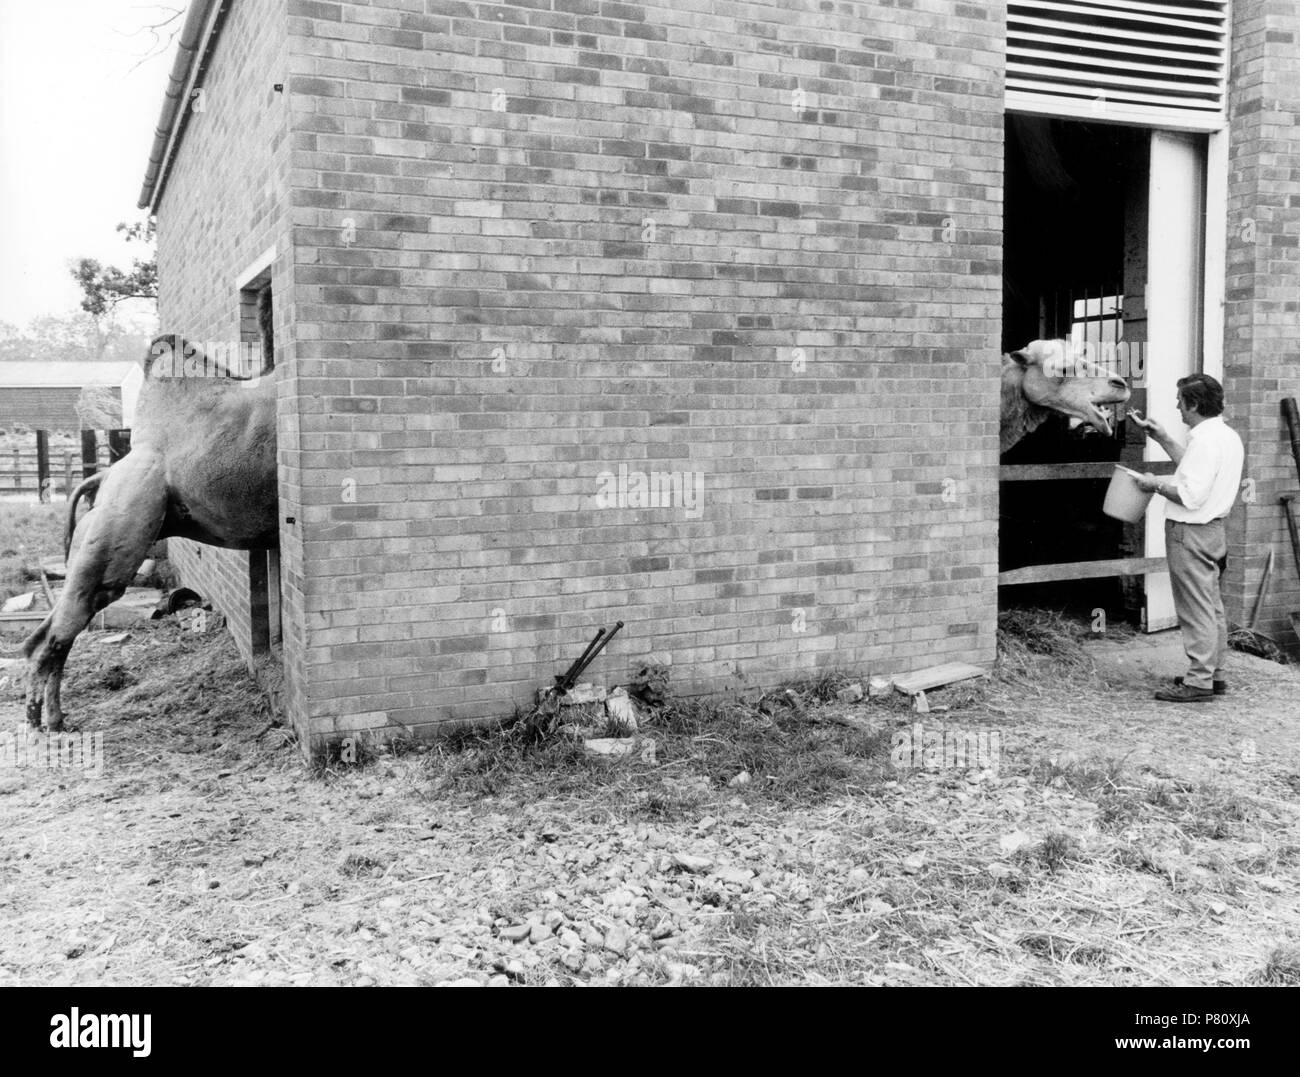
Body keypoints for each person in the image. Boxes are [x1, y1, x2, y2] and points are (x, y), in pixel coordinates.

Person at [1130, 374, 1244, 702]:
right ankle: (1213, 674)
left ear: (1194, 404)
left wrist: (1153, 484)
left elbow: (1190, 495)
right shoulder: (1224, 436)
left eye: (1180, 401)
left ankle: (1198, 682)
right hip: (1212, 531)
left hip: (1190, 532)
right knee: (1210, 605)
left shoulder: (1205, 442)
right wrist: (1163, 436)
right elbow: (1194, 470)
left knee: (1195, 609)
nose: (1177, 407)